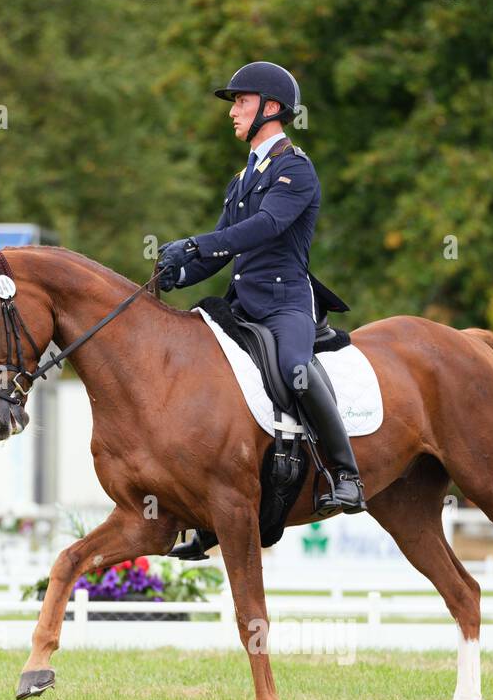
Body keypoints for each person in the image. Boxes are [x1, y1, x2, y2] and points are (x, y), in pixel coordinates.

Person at [157, 60, 367, 559]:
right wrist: (177, 273)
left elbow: (267, 227)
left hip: (286, 303)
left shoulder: (296, 169)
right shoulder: (241, 180)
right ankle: (212, 517)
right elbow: (224, 252)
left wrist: (195, 242)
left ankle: (346, 473)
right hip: (242, 305)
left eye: (242, 102)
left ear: (271, 108)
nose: (233, 112)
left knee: (294, 370)